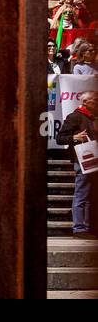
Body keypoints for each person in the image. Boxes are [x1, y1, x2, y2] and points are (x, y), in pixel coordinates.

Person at [58, 91, 98, 239]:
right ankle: (79, 228)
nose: (97, 103)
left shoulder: (93, 118)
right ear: (86, 102)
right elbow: (60, 138)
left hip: (93, 161)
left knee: (89, 195)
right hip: (82, 161)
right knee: (81, 194)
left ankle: (87, 227)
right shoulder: (75, 116)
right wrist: (74, 137)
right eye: (95, 100)